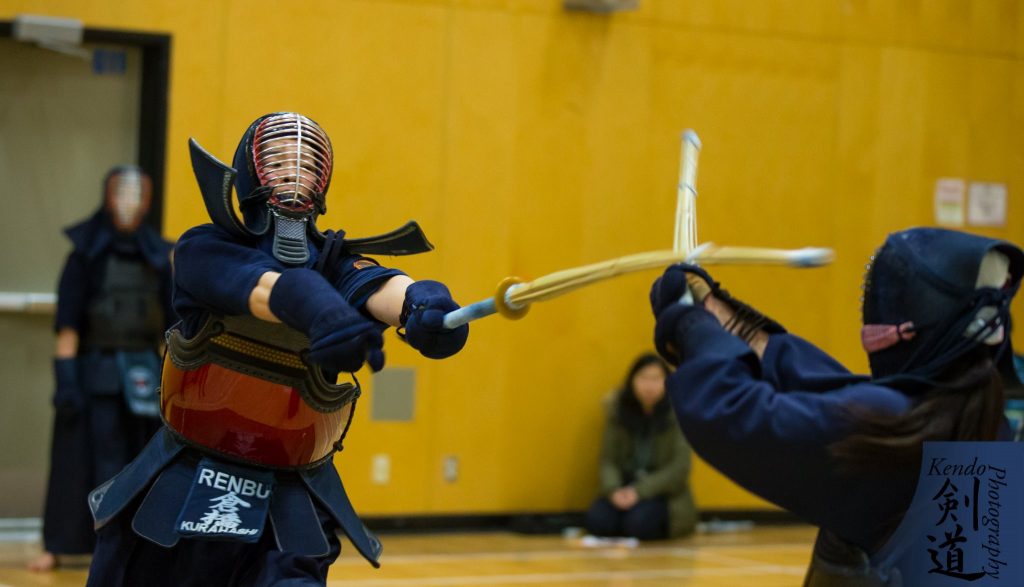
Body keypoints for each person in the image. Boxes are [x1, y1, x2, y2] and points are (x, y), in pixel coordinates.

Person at [85, 112, 470, 586]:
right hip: (187, 472)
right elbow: (259, 286)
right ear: (250, 175)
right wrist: (315, 308)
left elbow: (376, 284)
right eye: (279, 162)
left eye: (307, 165)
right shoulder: (205, 247)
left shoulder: (336, 263)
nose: (294, 174)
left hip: (290, 495)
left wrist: (420, 306)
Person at [648, 227, 1022, 586]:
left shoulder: (900, 432)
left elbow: (729, 410)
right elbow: (834, 389)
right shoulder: (981, 414)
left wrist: (690, 327)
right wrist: (716, 314)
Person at [30, 166, 172, 572]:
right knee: (83, 459)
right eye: (121, 193)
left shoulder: (160, 257)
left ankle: (140, 548)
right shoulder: (84, 255)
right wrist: (67, 382)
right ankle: (57, 545)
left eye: (137, 194)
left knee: (141, 461)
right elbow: (69, 325)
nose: (129, 202)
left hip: (144, 374)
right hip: (95, 373)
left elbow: (170, 330)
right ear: (108, 197)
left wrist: (173, 383)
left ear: (147, 201)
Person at [585, 353, 697, 540]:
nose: (649, 386)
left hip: (660, 491)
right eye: (643, 378)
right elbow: (608, 460)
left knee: (640, 524)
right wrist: (613, 490)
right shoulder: (617, 411)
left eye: (656, 379)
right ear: (632, 381)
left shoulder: (677, 413)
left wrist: (640, 491)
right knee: (598, 521)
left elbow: (679, 468)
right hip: (624, 486)